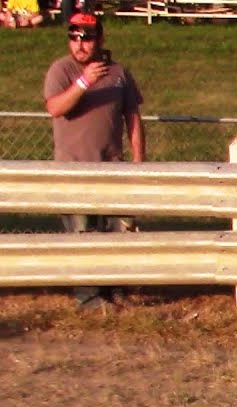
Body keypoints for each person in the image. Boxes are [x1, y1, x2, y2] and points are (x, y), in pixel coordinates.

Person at [43, 11, 145, 311]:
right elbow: (55, 108)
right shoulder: (61, 70)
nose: (79, 44)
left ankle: (115, 289)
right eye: (74, 37)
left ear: (99, 39)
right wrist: (84, 82)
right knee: (82, 234)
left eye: (86, 37)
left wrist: (139, 160)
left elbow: (133, 119)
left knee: (115, 233)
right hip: (73, 168)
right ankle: (88, 296)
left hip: (112, 167)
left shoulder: (119, 73)